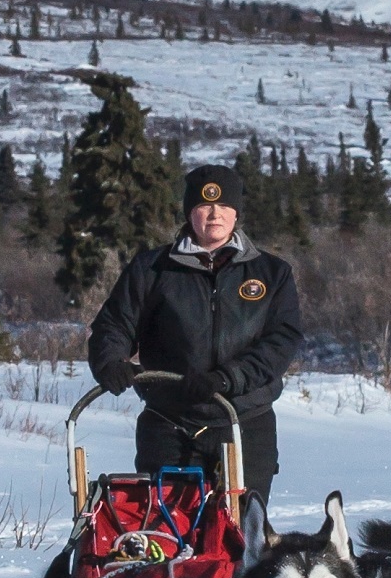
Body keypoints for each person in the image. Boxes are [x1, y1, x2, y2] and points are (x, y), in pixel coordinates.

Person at [86, 163, 301, 505]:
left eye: (223, 206)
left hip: (245, 423)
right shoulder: (152, 269)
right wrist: (111, 361)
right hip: (170, 423)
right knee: (169, 534)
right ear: (190, 213)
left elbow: (282, 341)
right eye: (204, 205)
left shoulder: (272, 273)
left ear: (236, 213)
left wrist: (227, 378)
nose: (214, 214)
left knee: (243, 537)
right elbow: (115, 325)